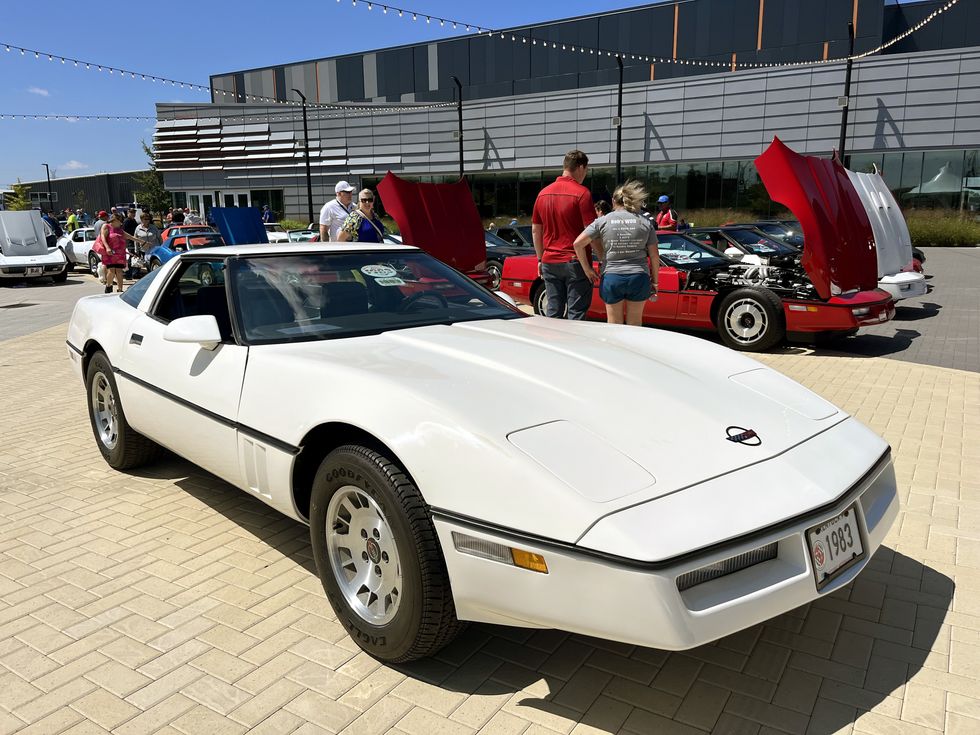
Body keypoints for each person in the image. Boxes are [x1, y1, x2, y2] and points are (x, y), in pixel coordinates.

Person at [573, 180, 659, 326]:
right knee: (635, 325)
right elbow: (655, 255)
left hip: (612, 276)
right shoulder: (645, 222)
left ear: (613, 201)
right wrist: (655, 282)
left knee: (613, 325)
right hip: (639, 276)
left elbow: (578, 244)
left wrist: (587, 269)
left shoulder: (603, 221)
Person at [531, 149, 596, 320]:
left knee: (553, 310)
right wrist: (603, 258)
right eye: (586, 170)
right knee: (577, 314)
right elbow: (592, 231)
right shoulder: (582, 193)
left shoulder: (542, 193)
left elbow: (536, 230)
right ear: (581, 168)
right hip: (575, 262)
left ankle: (552, 344)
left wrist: (539, 258)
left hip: (549, 260)